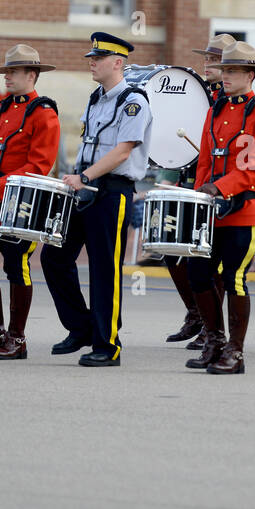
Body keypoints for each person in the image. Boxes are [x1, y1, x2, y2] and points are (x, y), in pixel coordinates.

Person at [41, 33, 152, 367]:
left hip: (111, 190)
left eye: (98, 58)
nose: (92, 62)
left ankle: (108, 345)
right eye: (91, 57)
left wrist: (86, 177)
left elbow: (122, 151)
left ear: (117, 63)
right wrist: (76, 177)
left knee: (105, 269)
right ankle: (81, 327)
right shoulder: (96, 98)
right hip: (84, 188)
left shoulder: (133, 101)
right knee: (54, 258)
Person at [187, 41, 255, 374]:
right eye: (224, 69)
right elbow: (204, 159)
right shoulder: (216, 108)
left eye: (233, 71)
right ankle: (213, 340)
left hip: (244, 211)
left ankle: (235, 352)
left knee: (235, 279)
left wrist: (221, 187)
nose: (225, 76)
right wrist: (200, 192)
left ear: (251, 74)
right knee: (198, 273)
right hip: (211, 209)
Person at [0, 45, 60, 361]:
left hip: (22, 201)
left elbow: (39, 165)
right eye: (6, 71)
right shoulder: (1, 108)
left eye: (13, 71)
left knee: (15, 265)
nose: (7, 76)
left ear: (31, 75)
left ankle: (17, 338)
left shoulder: (44, 112)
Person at [162, 34, 234, 347]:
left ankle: (211, 326)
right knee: (171, 250)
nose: (208, 63)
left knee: (207, 258)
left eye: (215, 58)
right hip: (191, 177)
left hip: (218, 186)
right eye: (206, 57)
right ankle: (195, 312)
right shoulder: (196, 93)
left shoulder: (230, 100)